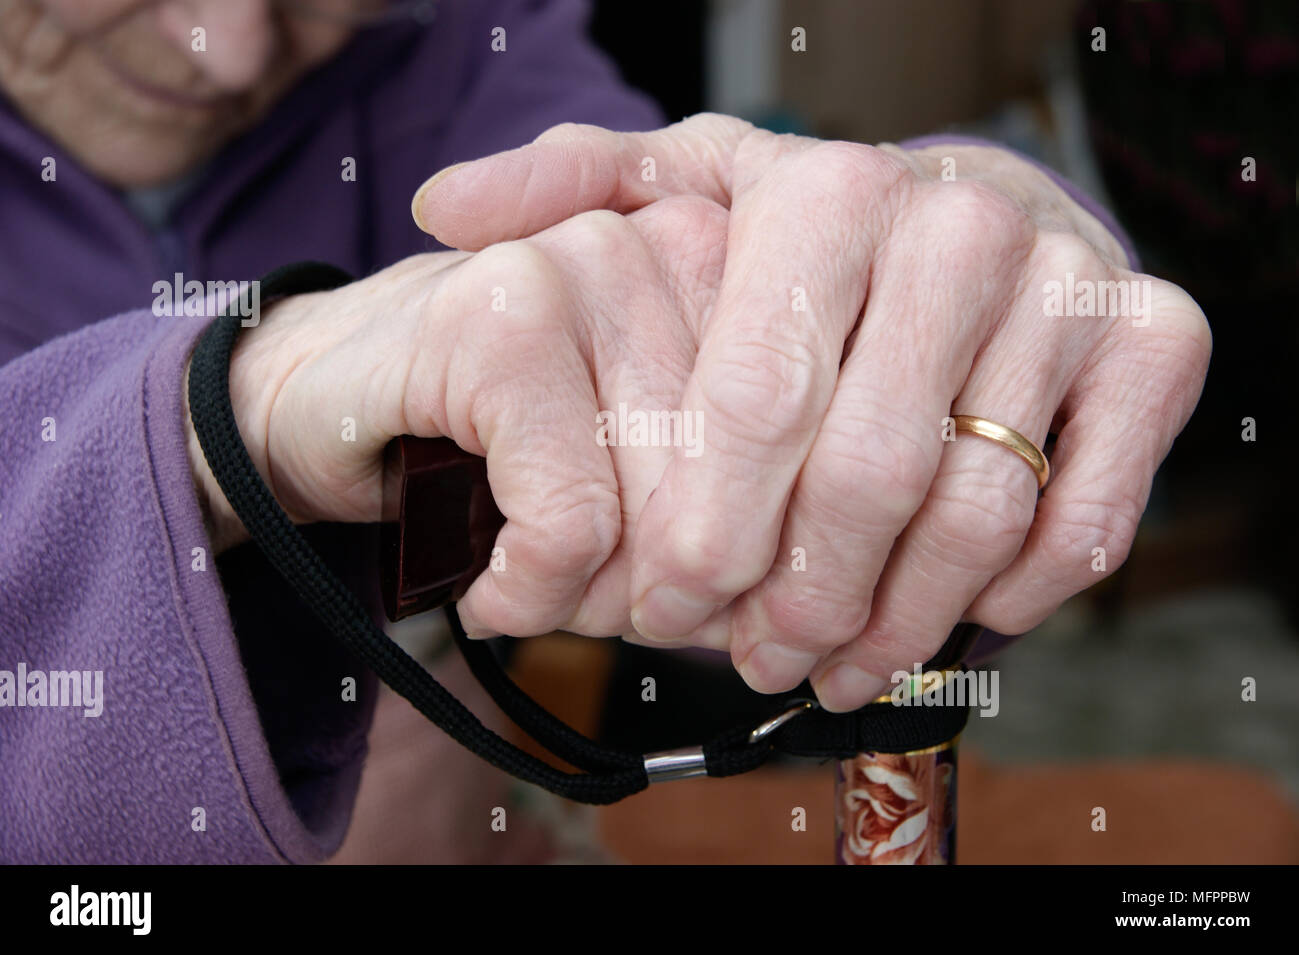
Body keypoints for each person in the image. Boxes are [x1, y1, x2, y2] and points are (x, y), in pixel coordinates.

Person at [0, 0, 1210, 863]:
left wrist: (954, 241)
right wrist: (231, 414)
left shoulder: (457, 42)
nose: (231, 48)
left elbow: (697, 255)